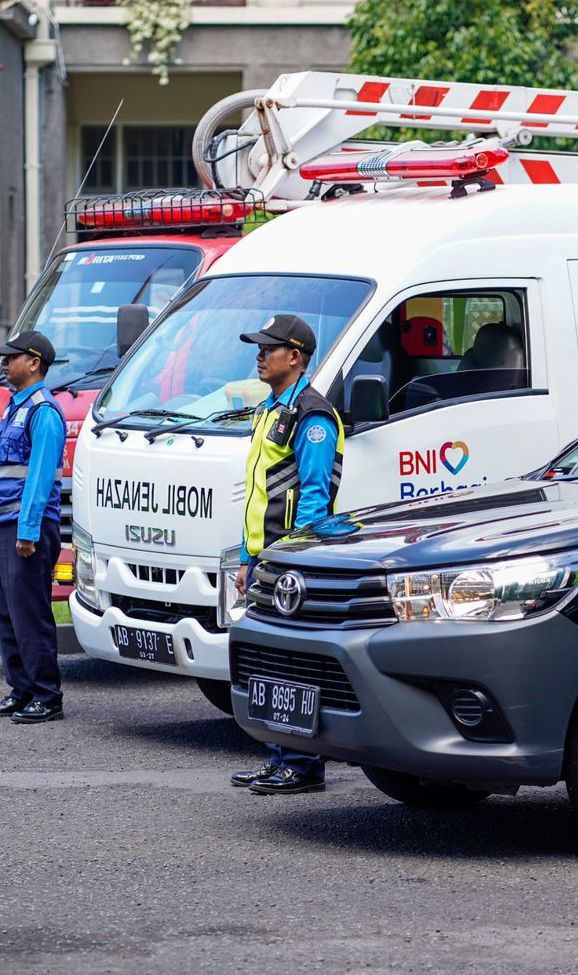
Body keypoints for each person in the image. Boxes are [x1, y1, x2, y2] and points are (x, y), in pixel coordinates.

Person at [227, 314, 344, 795]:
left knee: (293, 665)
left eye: (268, 348)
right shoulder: (271, 410)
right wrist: (246, 557)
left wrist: (293, 560)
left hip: (291, 562)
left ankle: (302, 765)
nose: (259, 356)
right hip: (265, 560)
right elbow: (258, 495)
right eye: (258, 348)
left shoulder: (312, 416)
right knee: (267, 663)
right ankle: (278, 758)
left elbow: (315, 497)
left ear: (294, 357)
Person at [0, 330, 69, 724]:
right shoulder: (15, 407)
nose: (4, 362)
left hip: (25, 528)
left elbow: (40, 477)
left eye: (11, 356)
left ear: (34, 363)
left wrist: (28, 531)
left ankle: (47, 696)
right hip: (4, 524)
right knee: (8, 614)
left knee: (30, 614)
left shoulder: (42, 411)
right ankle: (22, 690)